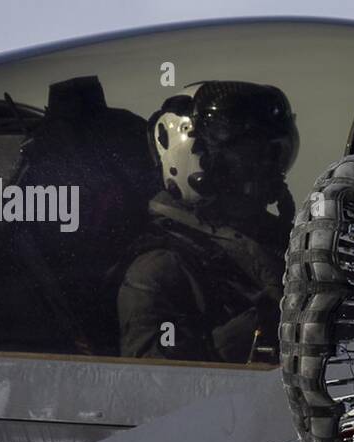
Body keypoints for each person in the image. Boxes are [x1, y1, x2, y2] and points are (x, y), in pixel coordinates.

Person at [116, 81, 299, 363]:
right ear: (192, 155)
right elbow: (154, 387)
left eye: (273, 153)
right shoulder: (160, 268)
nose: (267, 167)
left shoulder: (284, 243)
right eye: (249, 155)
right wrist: (260, 327)